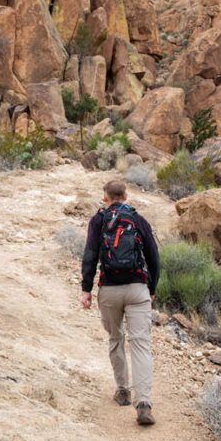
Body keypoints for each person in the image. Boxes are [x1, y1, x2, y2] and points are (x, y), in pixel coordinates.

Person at [80, 179, 161, 426]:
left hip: (109, 289)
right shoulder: (138, 220)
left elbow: (90, 255)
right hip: (138, 289)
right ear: (125, 196)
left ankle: (123, 390)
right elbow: (153, 256)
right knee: (141, 345)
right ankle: (144, 402)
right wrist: (152, 288)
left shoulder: (98, 220)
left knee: (116, 338)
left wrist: (86, 289)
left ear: (106, 197)